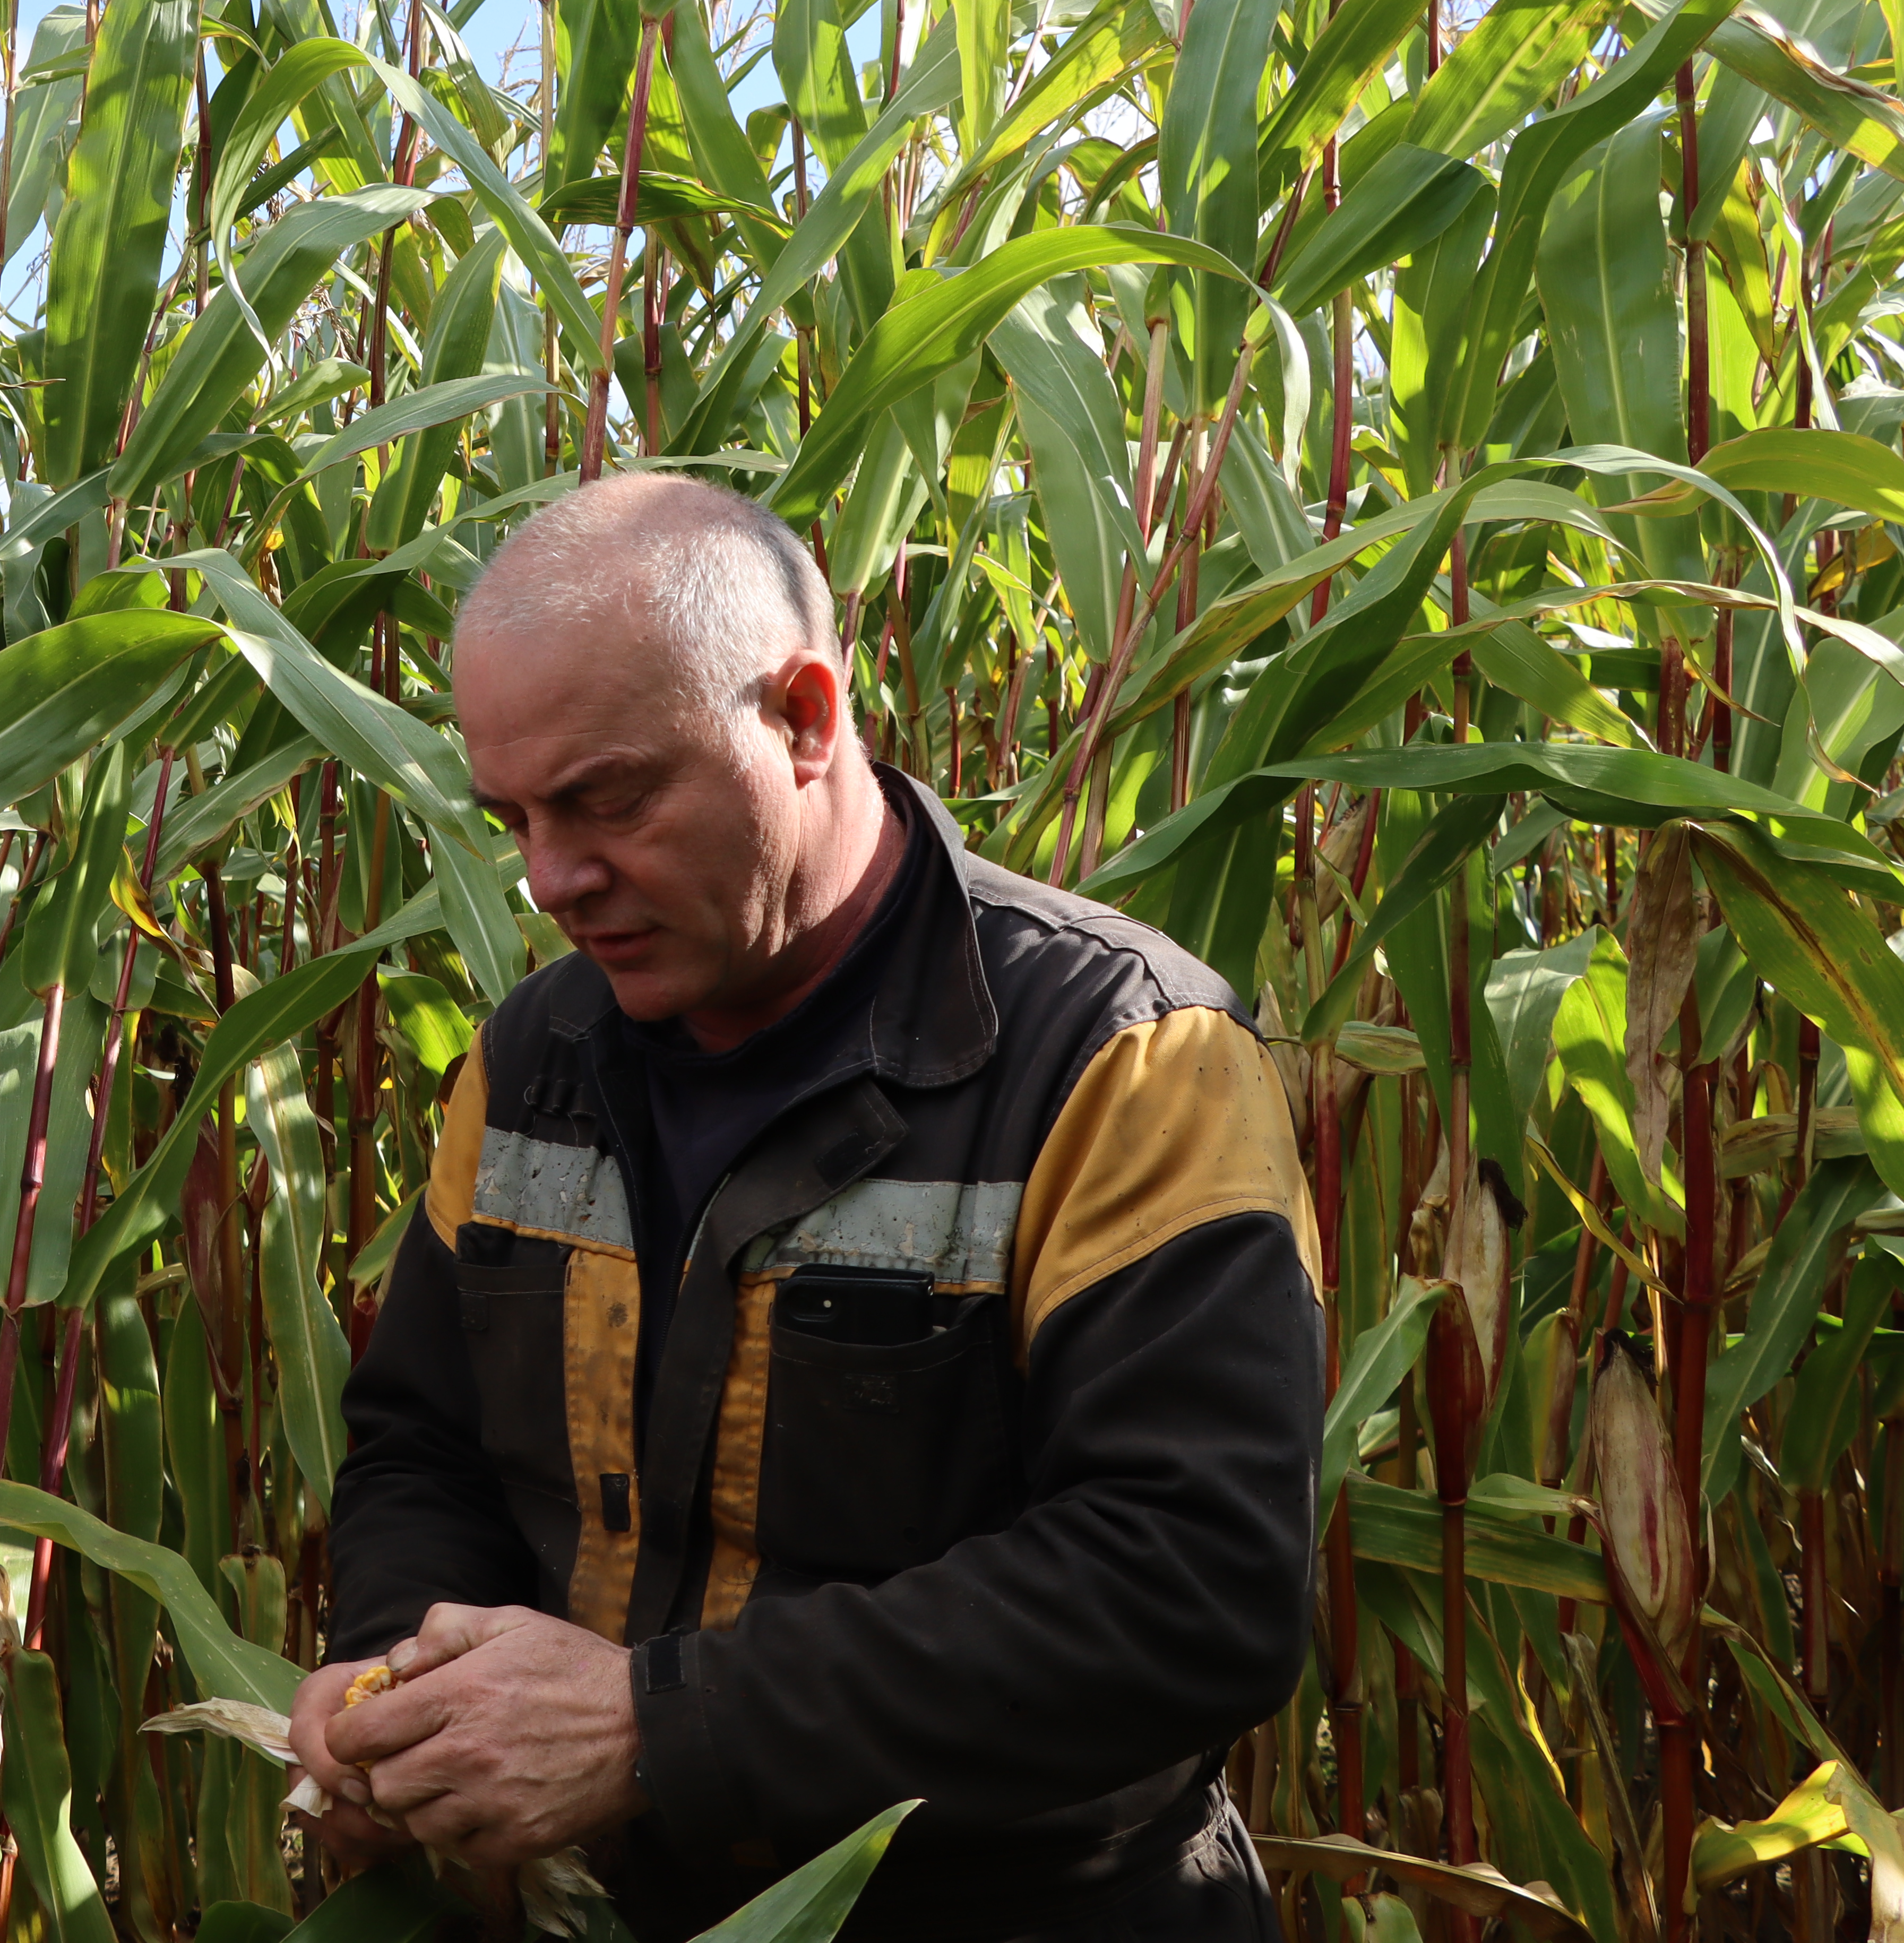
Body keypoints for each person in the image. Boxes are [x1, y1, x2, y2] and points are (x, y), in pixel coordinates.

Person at [293, 473, 1321, 1941]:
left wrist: (654, 1727)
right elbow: (425, 1448)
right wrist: (397, 1674)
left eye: (608, 799)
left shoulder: (1121, 1060)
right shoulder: (531, 1065)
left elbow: (1190, 1586)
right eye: (512, 815)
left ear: (805, 716)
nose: (552, 878)